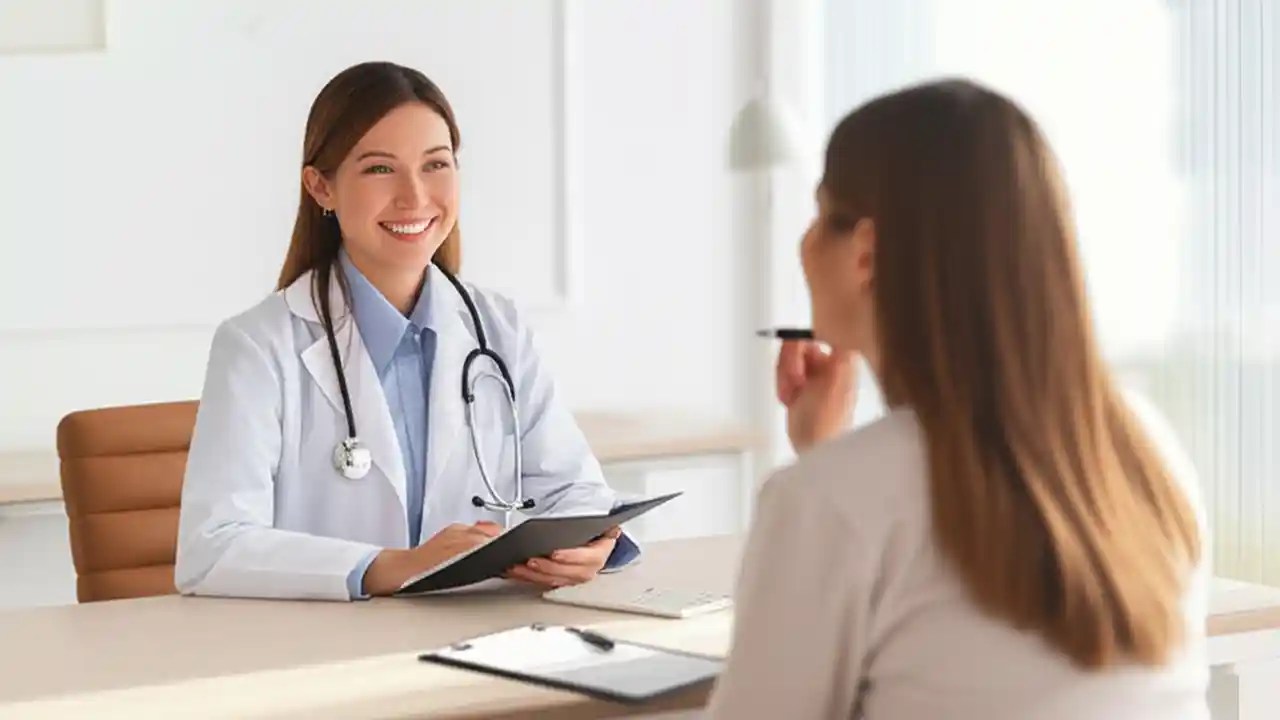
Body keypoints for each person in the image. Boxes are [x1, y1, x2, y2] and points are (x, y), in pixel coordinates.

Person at [707, 79, 1209, 719]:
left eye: (820, 215)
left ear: (865, 253)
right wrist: (824, 454)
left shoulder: (830, 502)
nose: (804, 245)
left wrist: (820, 469)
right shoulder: (1151, 451)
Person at [175, 61, 637, 601]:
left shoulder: (499, 327)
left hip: (484, 635)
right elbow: (212, 549)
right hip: (328, 655)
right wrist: (388, 566)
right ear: (321, 187)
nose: (415, 196)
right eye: (379, 169)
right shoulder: (259, 345)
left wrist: (594, 541)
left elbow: (574, 488)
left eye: (436, 164)